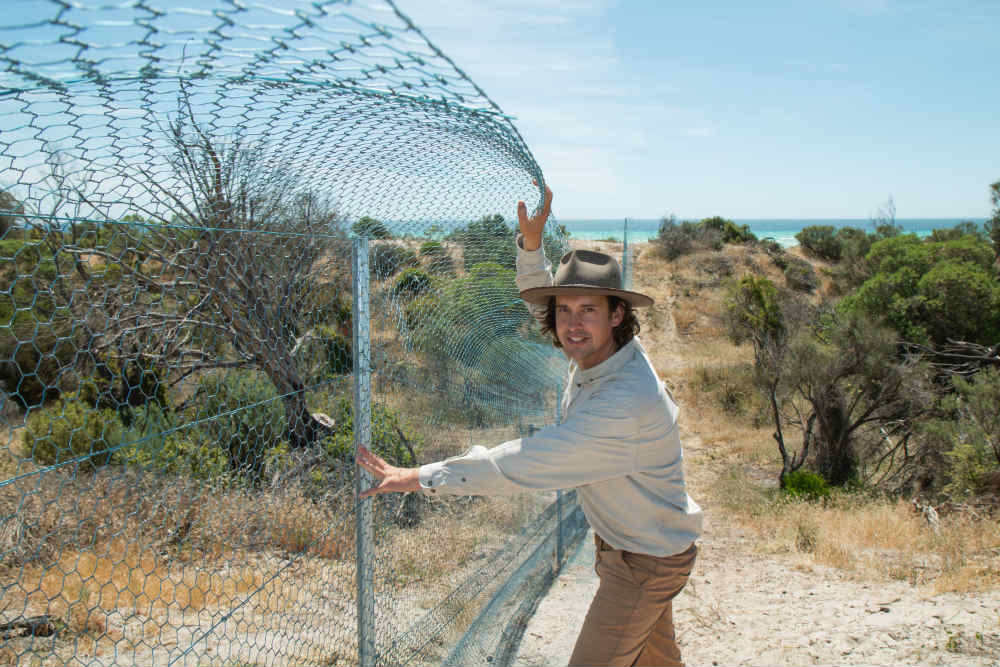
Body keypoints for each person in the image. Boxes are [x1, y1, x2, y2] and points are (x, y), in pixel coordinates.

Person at [356, 185, 703, 666]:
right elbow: (543, 303)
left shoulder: (623, 402)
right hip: (637, 547)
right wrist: (532, 249)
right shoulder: (608, 349)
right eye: (565, 310)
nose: (572, 325)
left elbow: (516, 465)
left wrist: (415, 477)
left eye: (588, 311)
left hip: (644, 562)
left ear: (617, 314)